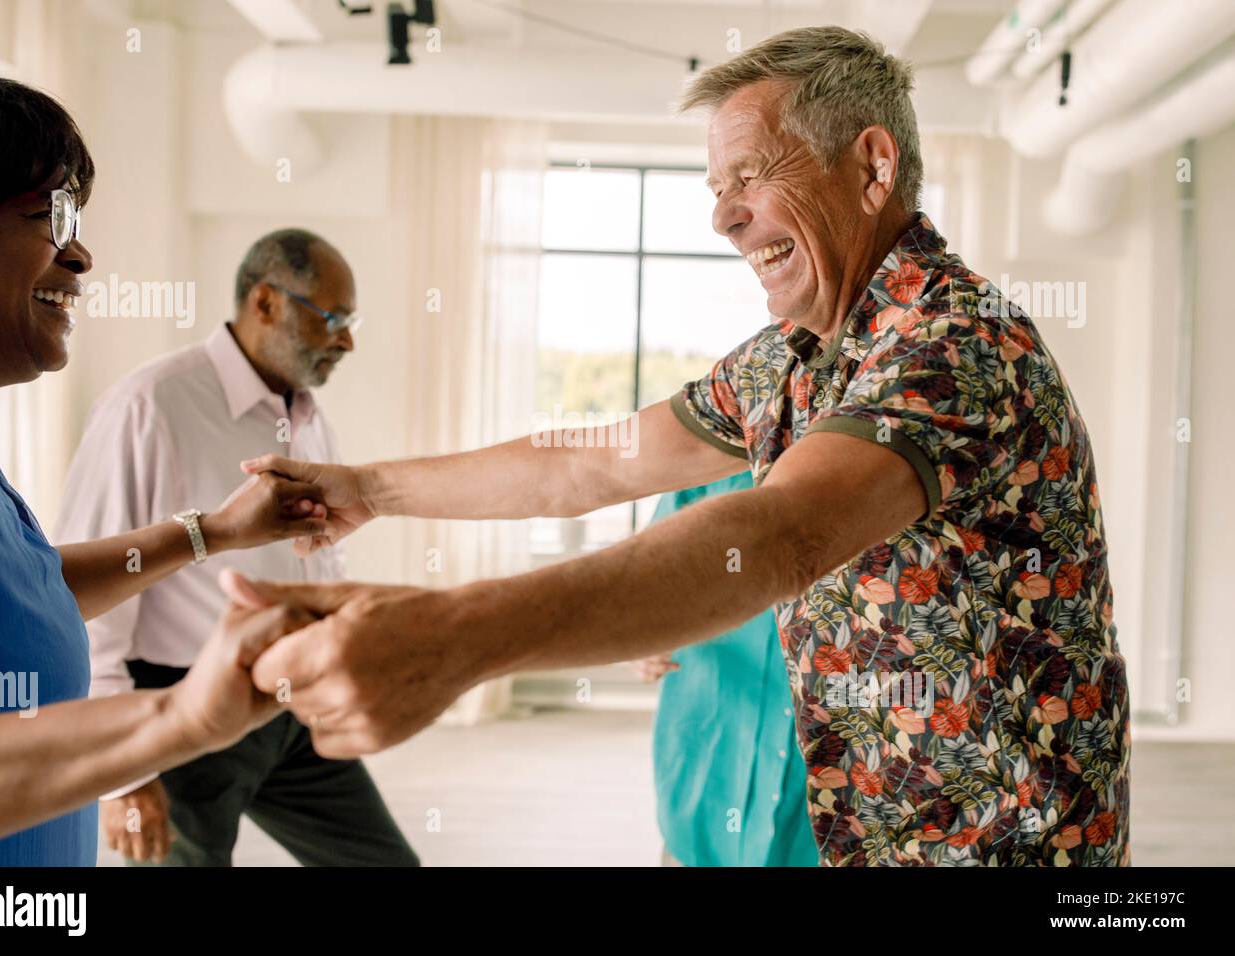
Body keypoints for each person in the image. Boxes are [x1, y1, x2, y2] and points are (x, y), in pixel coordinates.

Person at [230, 25, 1130, 867]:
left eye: (750, 176)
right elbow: (591, 459)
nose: (724, 219)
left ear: (871, 166)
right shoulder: (795, 355)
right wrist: (368, 489)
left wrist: (456, 638)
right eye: (716, 190)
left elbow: (782, 535)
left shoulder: (954, 344)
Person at [0, 62, 327, 865]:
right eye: (50, 217)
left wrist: (213, 532)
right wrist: (176, 721)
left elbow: (22, 592)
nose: (80, 258)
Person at [55, 229, 417, 867]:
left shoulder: (309, 417)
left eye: (350, 321)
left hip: (288, 706)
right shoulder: (150, 407)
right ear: (266, 303)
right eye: (332, 318)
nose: (347, 340)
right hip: (178, 707)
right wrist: (125, 776)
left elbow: (317, 556)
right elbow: (86, 603)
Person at [634, 472, 818, 868]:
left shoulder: (867, 455)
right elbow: (652, 577)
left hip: (829, 736)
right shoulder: (710, 450)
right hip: (713, 723)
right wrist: (642, 640)